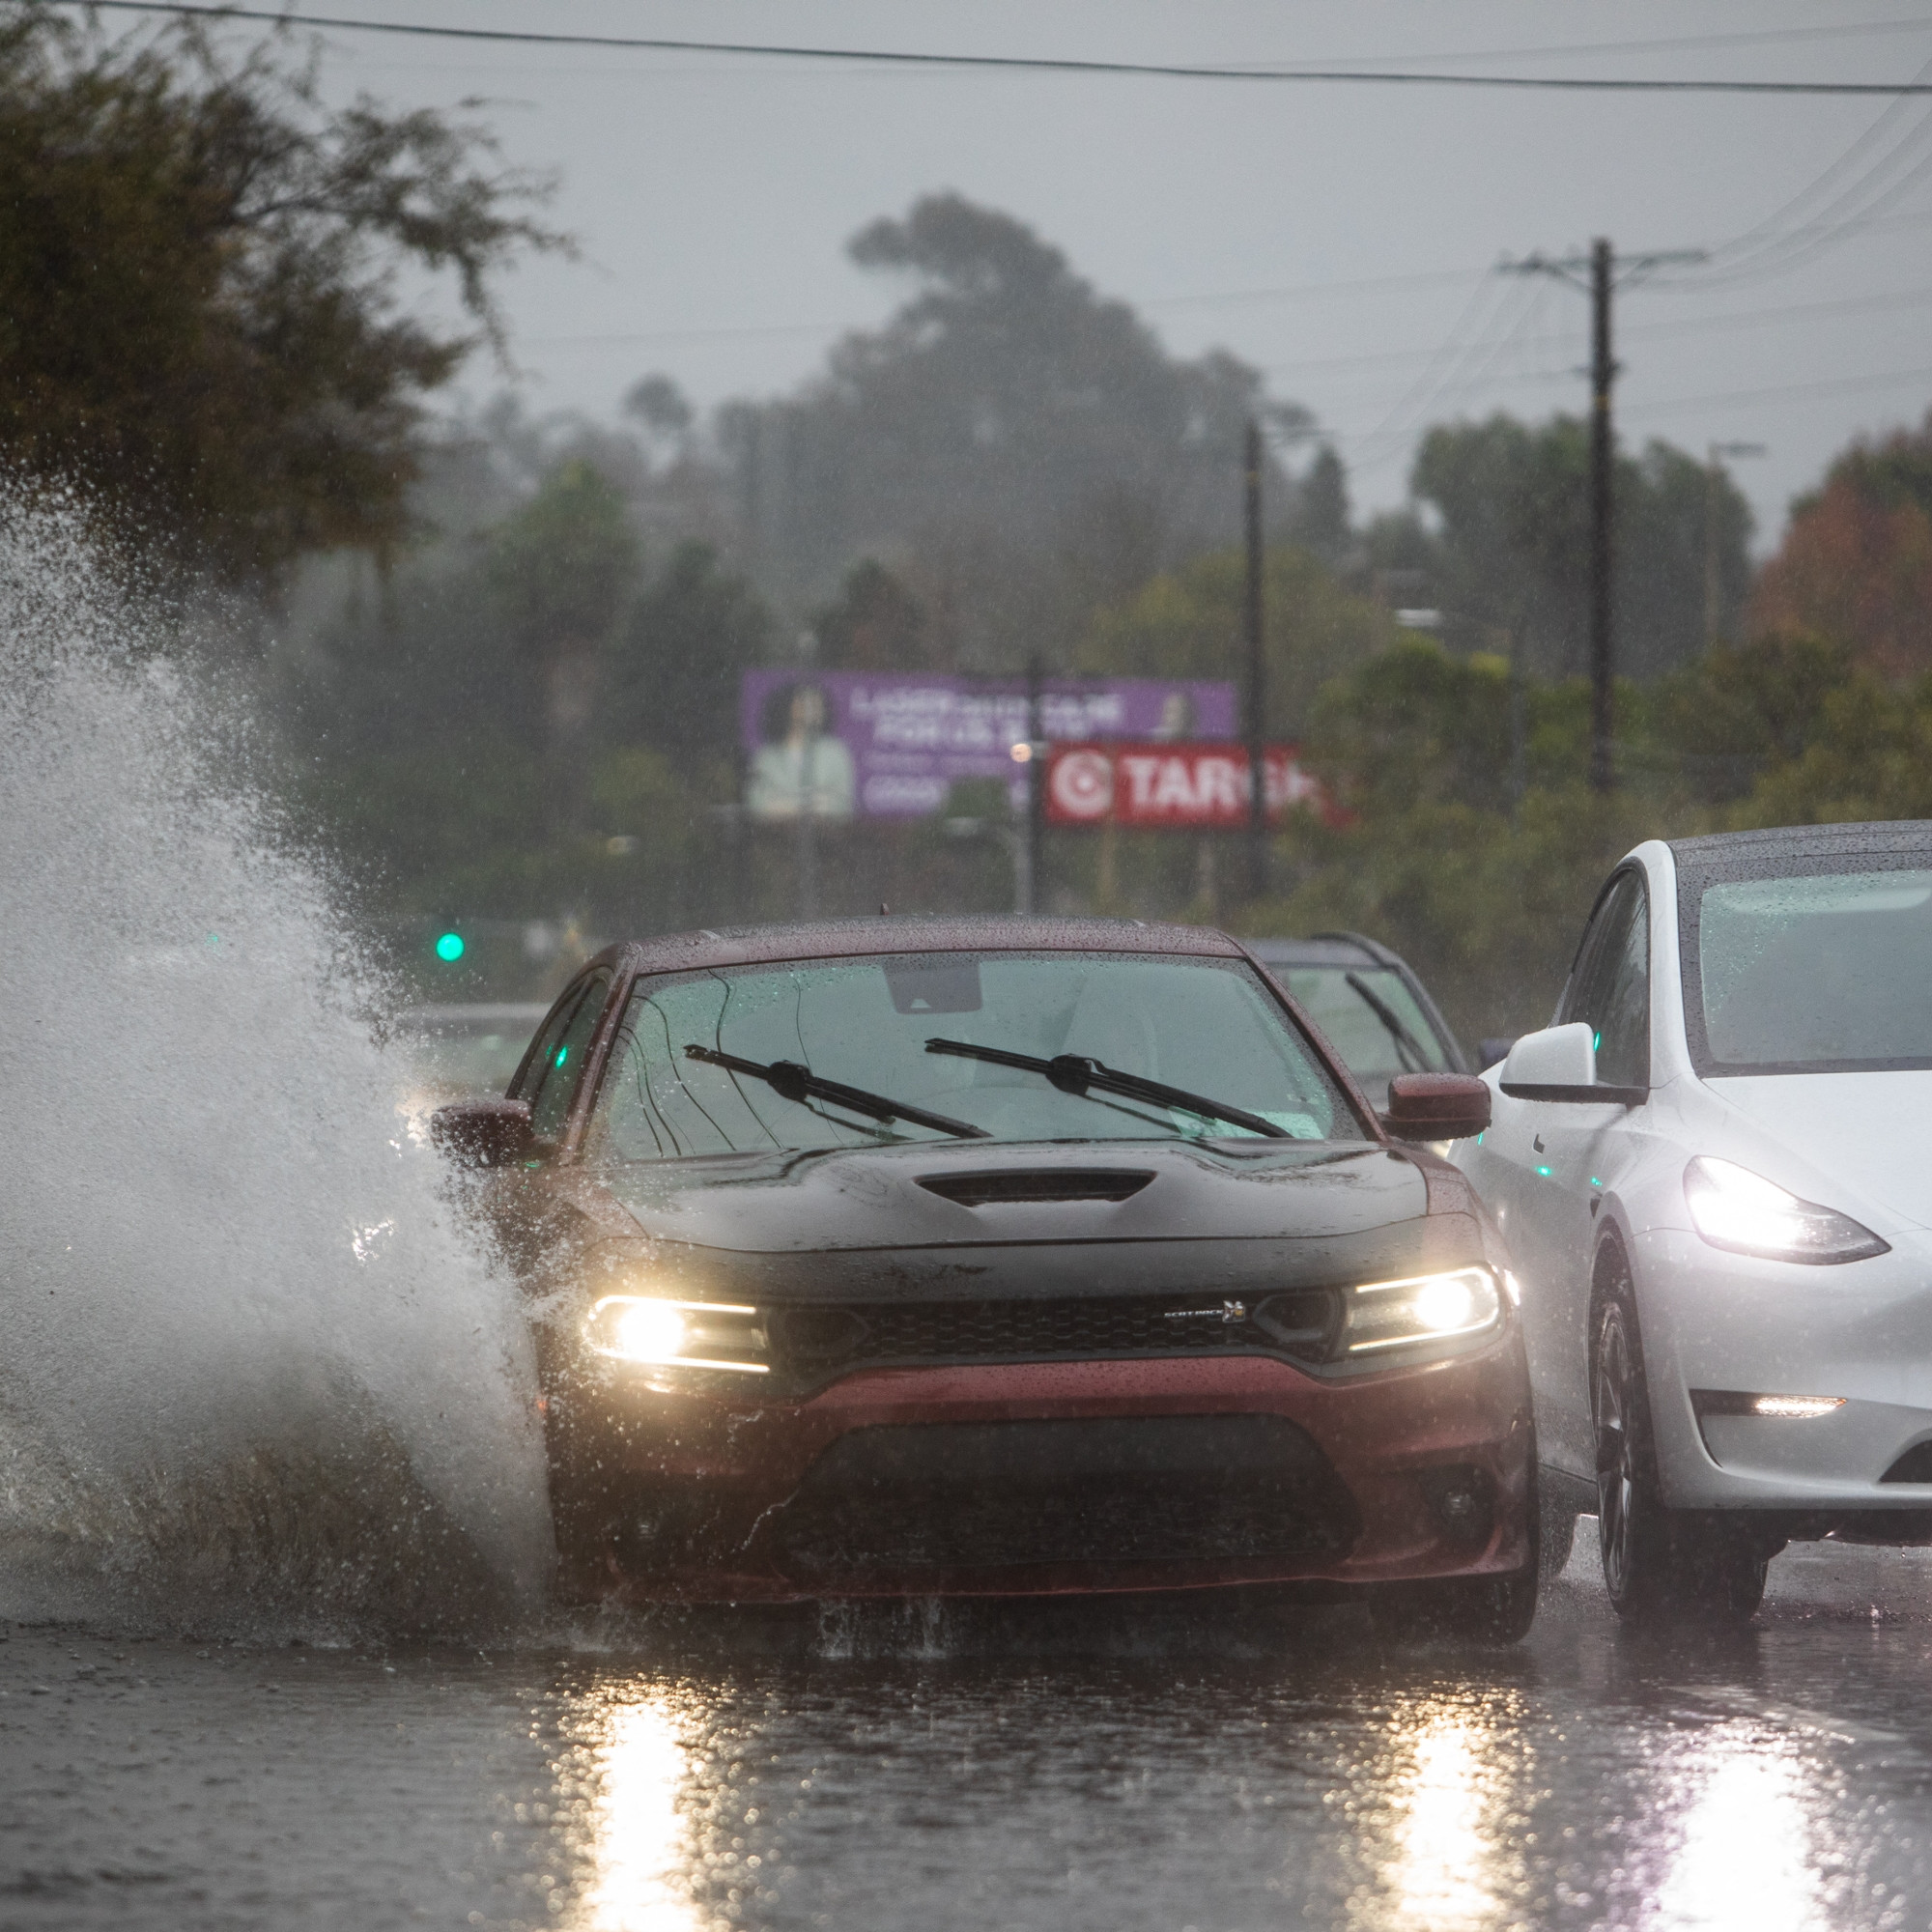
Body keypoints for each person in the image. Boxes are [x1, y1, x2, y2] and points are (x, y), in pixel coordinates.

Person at [746, 681, 858, 821]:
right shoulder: (766, 757)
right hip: (775, 838)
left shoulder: (836, 753)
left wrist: (784, 804)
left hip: (825, 839)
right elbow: (758, 806)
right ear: (788, 706)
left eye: (817, 704)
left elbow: (843, 806)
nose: (813, 708)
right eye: (804, 702)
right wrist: (810, 805)